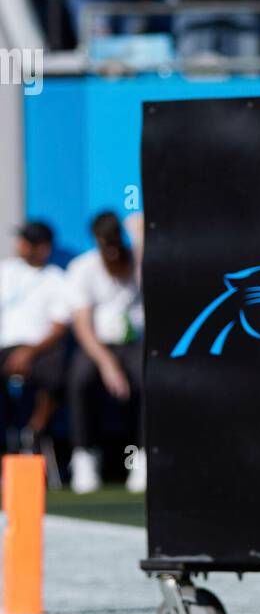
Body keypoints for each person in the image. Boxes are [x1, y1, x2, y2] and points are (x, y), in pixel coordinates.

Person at [65, 212, 145, 495]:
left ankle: (141, 455)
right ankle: (84, 455)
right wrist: (107, 363)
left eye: (116, 244)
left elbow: (147, 283)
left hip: (135, 343)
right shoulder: (82, 268)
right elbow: (82, 325)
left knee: (147, 377)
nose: (112, 252)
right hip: (98, 345)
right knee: (80, 378)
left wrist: (139, 238)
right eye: (105, 245)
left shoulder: (135, 258)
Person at [0, 222, 70, 455]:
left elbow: (59, 327)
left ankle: (33, 430)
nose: (20, 245)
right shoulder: (5, 271)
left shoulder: (56, 279)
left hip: (40, 350)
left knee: (58, 371)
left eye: (27, 242)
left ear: (43, 248)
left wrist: (29, 352)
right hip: (5, 348)